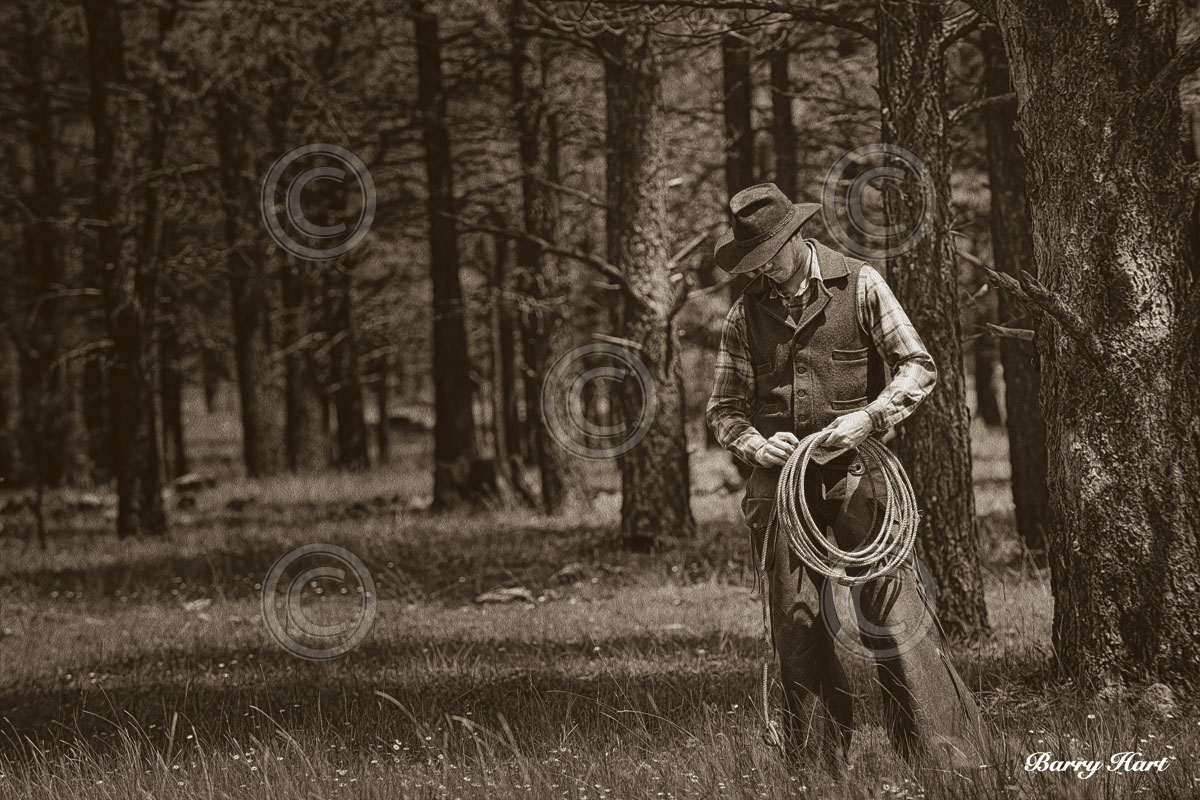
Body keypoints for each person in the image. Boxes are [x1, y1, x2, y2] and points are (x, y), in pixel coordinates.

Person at [706, 183, 983, 774]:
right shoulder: (743, 313)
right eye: (753, 262)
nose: (765, 271)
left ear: (795, 239)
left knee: (892, 611)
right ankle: (818, 768)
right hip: (782, 486)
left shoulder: (860, 283)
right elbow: (724, 410)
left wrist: (870, 417)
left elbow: (917, 365)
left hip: (858, 472)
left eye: (770, 257)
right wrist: (756, 444)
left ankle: (944, 758)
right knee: (796, 624)